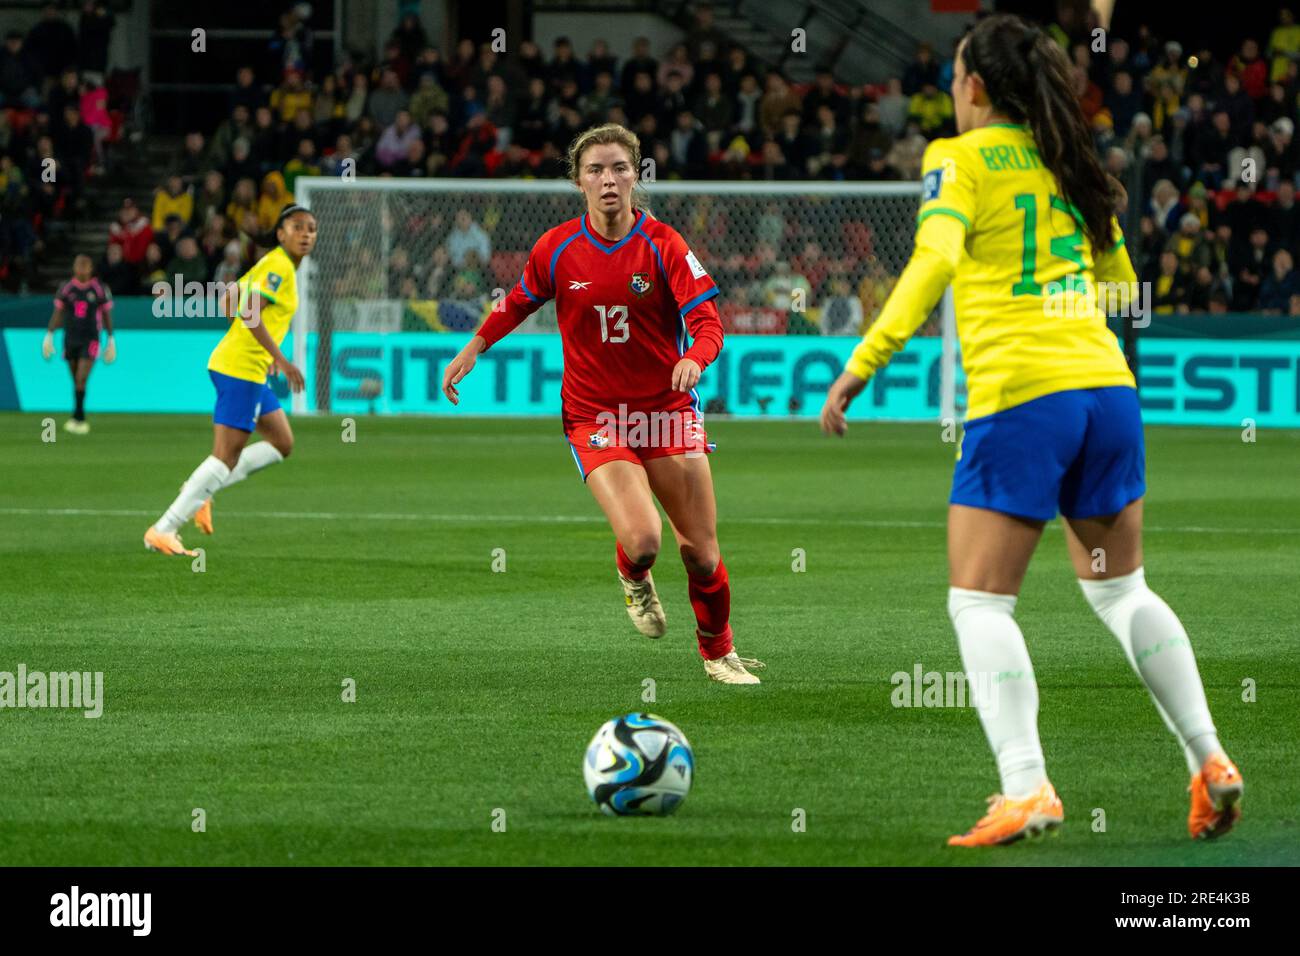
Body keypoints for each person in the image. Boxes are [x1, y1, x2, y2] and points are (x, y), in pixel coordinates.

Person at [819, 15, 1242, 846]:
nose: (949, 88)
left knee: (979, 602)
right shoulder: (1070, 160)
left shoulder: (960, 158)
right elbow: (1122, 285)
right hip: (1107, 390)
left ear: (975, 86)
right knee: (1122, 590)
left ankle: (1026, 788)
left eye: (953, 75)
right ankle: (1209, 760)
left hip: (1024, 395)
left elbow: (934, 262)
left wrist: (860, 365)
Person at [440, 123, 763, 684]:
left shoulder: (664, 245)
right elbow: (517, 302)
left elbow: (708, 322)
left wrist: (697, 359)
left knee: (702, 556)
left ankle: (719, 654)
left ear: (635, 175)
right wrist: (474, 347)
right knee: (642, 540)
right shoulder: (557, 248)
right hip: (596, 416)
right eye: (595, 170)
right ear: (578, 181)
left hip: (667, 413)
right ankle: (634, 578)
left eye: (618, 167)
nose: (608, 179)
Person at [142, 205, 316, 556]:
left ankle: (202, 492)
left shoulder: (271, 264)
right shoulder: (280, 266)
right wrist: (279, 359)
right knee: (225, 457)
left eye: (311, 228)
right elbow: (249, 311)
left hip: (245, 365)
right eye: (297, 227)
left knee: (282, 443)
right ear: (281, 234)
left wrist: (258, 350)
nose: (306, 233)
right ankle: (163, 528)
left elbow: (228, 300)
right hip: (241, 369)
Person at [42, 254, 114, 434]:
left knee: (81, 378)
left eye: (85, 266)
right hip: (70, 338)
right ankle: (77, 415)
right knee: (75, 380)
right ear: (74, 268)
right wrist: (49, 334)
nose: (81, 270)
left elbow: (106, 315)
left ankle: (79, 418)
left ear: (90, 269)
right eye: (78, 266)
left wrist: (111, 339)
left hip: (90, 338)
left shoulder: (99, 289)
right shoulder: (67, 288)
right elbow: (58, 312)